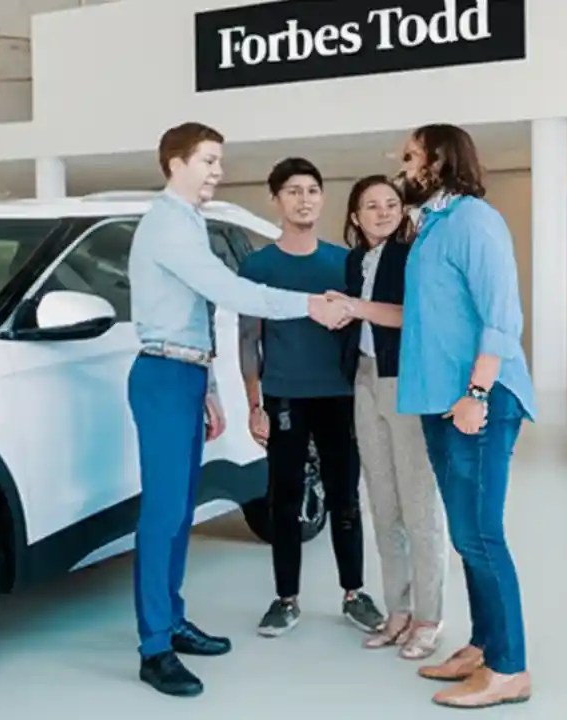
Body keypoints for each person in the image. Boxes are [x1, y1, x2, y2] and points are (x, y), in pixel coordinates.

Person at [126, 122, 351, 698]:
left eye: (219, 161)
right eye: (208, 160)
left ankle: (171, 621)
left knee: (178, 512)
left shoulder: (187, 221)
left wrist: (208, 387)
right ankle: (154, 647)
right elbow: (231, 293)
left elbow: (194, 308)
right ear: (174, 163)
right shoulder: (166, 223)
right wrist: (309, 305)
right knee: (161, 514)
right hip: (161, 376)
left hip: (184, 372)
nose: (217, 171)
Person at [389, 123, 533, 708]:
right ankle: (482, 646)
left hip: (477, 398)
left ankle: (510, 669)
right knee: (467, 538)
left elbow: (502, 314)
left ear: (439, 160)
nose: (402, 165)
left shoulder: (474, 220)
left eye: (410, 156)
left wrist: (476, 392)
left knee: (481, 535)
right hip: (438, 402)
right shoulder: (432, 225)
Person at [236, 158, 384, 639]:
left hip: (339, 396)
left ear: (322, 199)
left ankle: (354, 593)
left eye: (313, 191)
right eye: (294, 191)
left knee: (344, 497)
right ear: (276, 200)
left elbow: (363, 329)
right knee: (284, 500)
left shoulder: (344, 260)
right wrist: (253, 403)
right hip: (283, 396)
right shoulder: (258, 266)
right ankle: (286, 598)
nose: (305, 199)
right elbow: (247, 339)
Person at [330, 175, 449, 660]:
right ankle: (396, 612)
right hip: (363, 380)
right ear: (355, 217)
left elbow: (411, 314)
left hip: (405, 380)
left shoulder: (412, 254)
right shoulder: (356, 259)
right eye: (371, 206)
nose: (383, 211)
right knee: (381, 502)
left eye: (391, 203)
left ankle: (428, 616)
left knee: (418, 504)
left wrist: (354, 307)